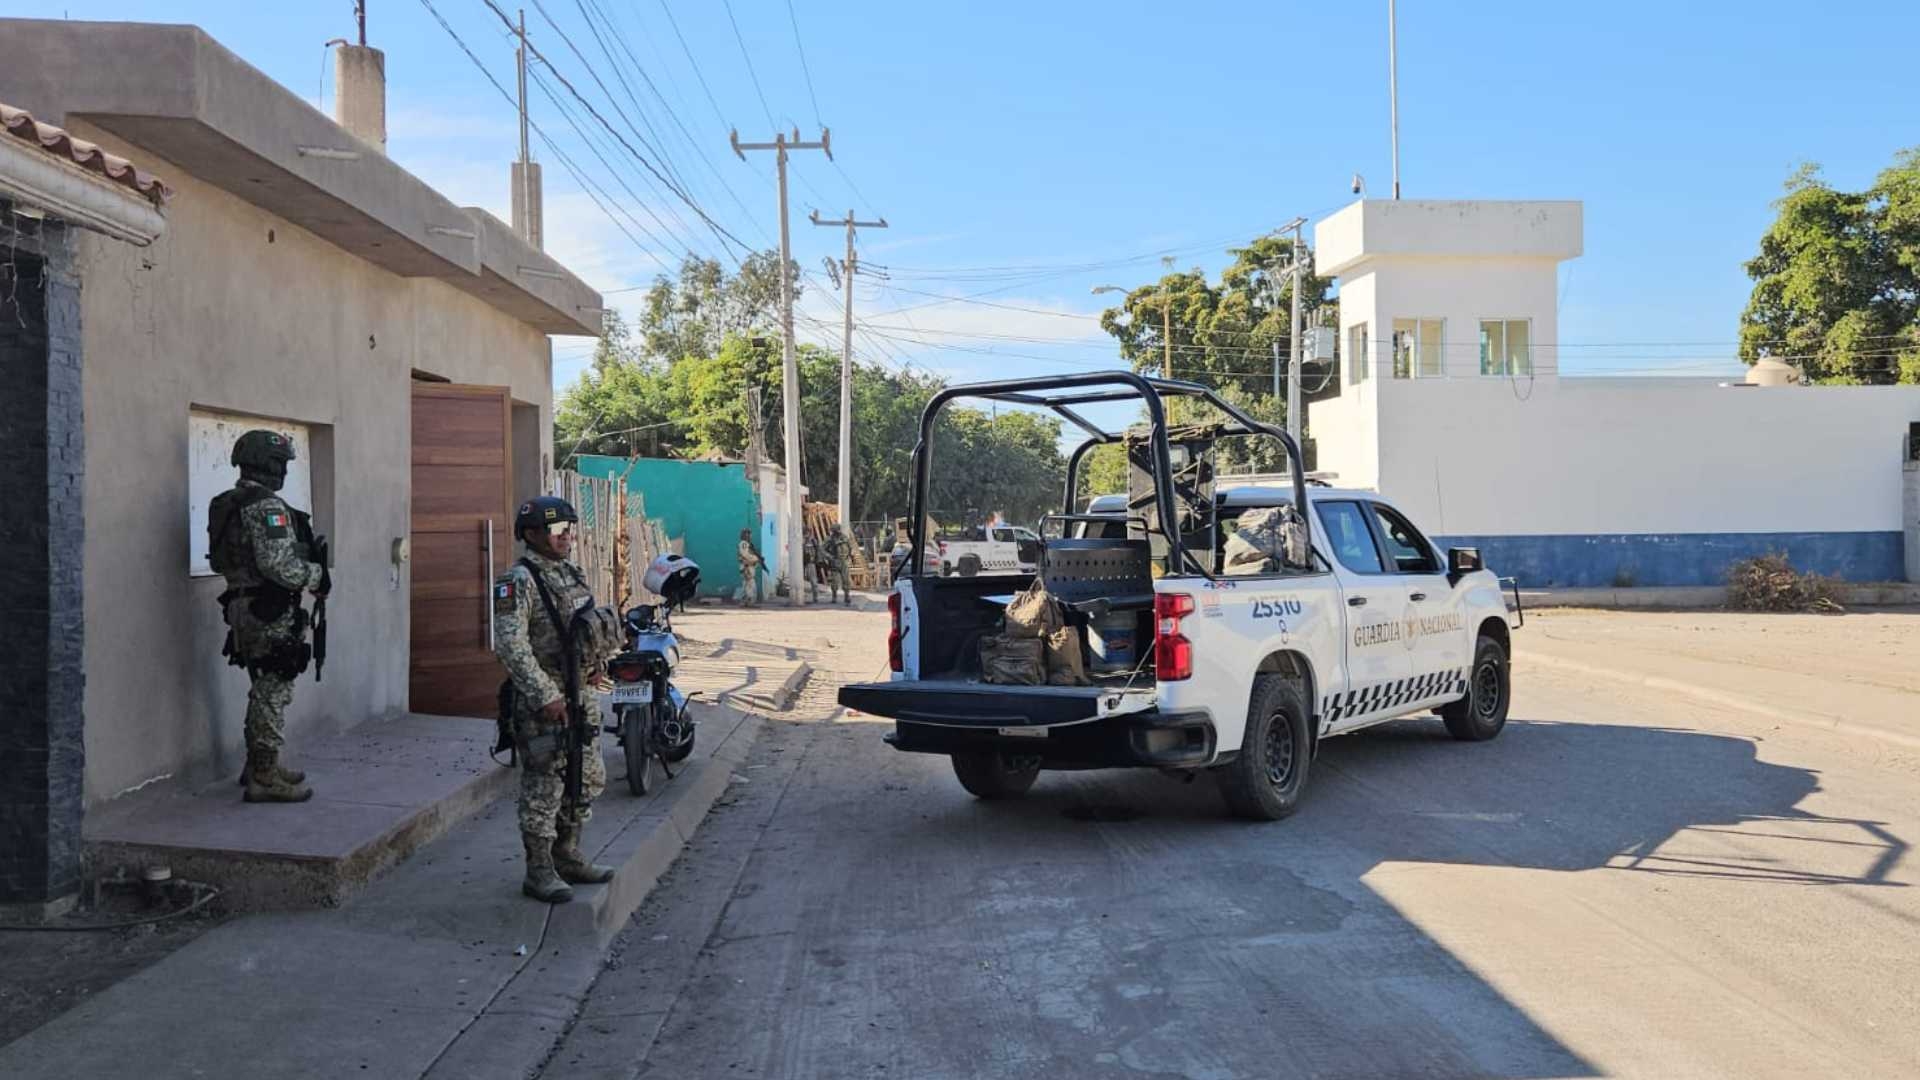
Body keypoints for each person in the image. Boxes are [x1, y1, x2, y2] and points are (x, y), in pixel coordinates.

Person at [493, 496, 619, 904]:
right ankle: (539, 870)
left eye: (569, 530)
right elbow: (510, 645)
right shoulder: (519, 581)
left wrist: (595, 665)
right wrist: (545, 694)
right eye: (557, 531)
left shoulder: (571, 573)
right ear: (532, 535)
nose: (566, 538)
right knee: (544, 786)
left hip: (579, 694)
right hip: (542, 703)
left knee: (585, 777)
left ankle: (568, 855)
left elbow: (583, 628)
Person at [208, 430, 328, 803]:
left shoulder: (225, 501)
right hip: (268, 608)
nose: (285, 471)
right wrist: (316, 576)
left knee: (262, 684)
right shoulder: (267, 507)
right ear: (268, 463)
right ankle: (263, 775)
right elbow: (279, 566)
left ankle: (259, 765)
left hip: (243, 605)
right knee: (273, 689)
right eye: (282, 463)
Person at [825, 526, 855, 605]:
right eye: (835, 530)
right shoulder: (829, 539)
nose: (837, 531)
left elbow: (850, 547)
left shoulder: (844, 537)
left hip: (844, 561)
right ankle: (834, 596)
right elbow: (822, 549)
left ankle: (847, 596)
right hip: (835, 561)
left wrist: (851, 556)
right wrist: (829, 557)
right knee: (834, 581)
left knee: (846, 580)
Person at [737, 528, 765, 606]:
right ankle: (749, 602)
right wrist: (756, 559)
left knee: (747, 585)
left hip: (748, 567)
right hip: (746, 567)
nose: (750, 536)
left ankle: (745, 601)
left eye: (749, 534)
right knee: (750, 585)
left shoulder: (747, 544)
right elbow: (746, 555)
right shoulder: (744, 544)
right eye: (748, 534)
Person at [802, 531, 823, 603]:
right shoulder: (800, 540)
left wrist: (818, 561)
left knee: (813, 581)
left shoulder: (813, 541)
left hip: (810, 563)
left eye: (806, 534)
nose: (805, 536)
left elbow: (818, 551)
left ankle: (815, 597)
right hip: (801, 563)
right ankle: (802, 597)